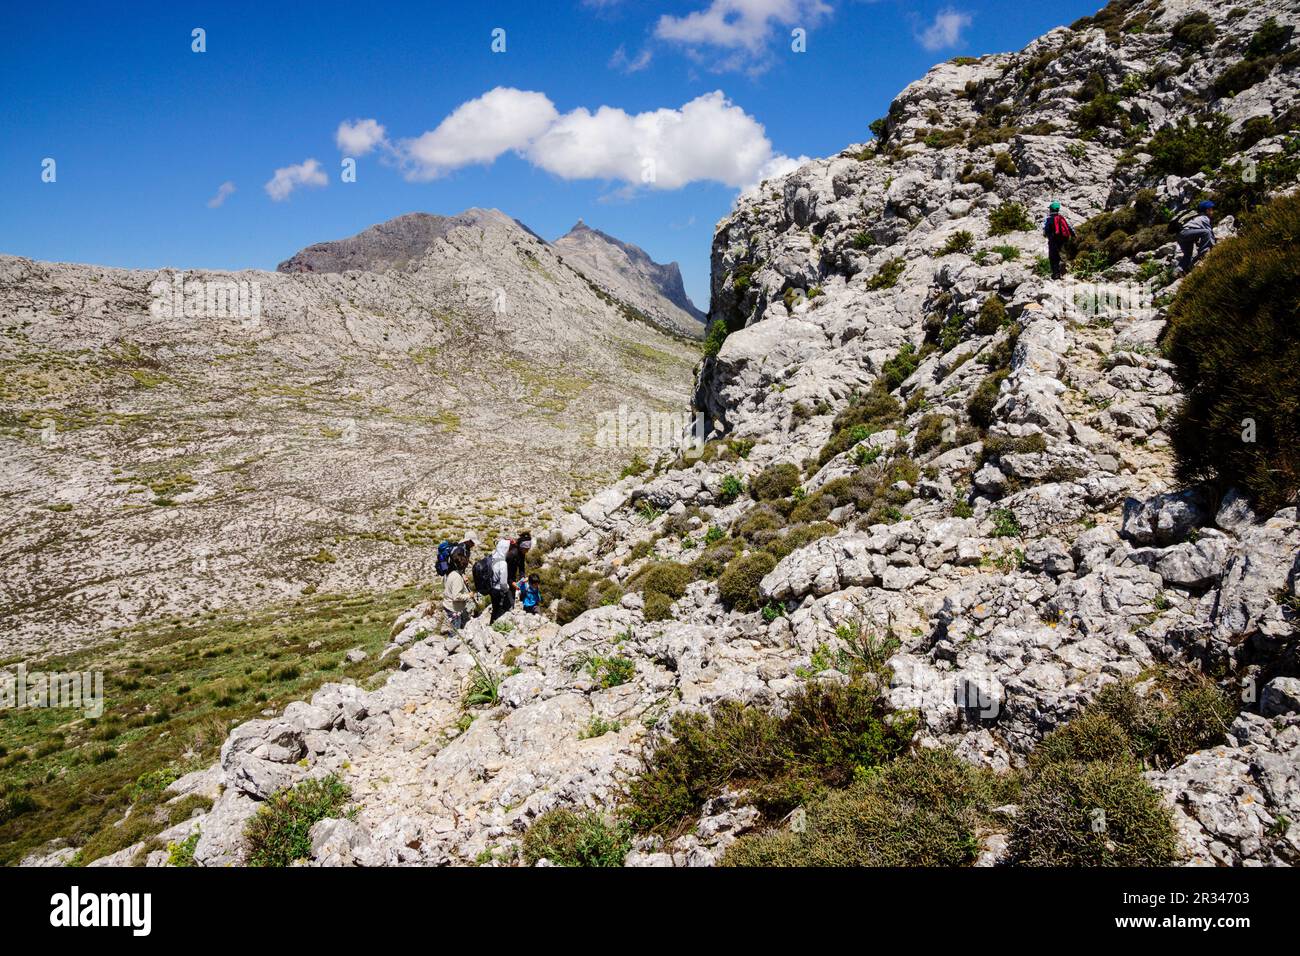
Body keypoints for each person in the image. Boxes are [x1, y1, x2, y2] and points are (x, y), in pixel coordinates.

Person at [1177, 200, 1216, 274]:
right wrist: (1214, 247)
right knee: (1206, 232)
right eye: (1211, 209)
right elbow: (1209, 233)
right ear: (1206, 210)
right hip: (1186, 233)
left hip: (1180, 235)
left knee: (1188, 255)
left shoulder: (1195, 217)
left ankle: (1178, 271)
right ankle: (1203, 254)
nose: (1212, 211)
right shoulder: (1204, 218)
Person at [1042, 200, 1075, 280]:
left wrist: (1046, 235)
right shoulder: (1062, 218)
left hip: (1053, 241)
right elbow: (1070, 228)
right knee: (1062, 255)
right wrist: (1074, 235)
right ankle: (1063, 272)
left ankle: (1056, 274)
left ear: (1051, 210)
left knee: (1053, 257)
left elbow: (1045, 230)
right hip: (1063, 240)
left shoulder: (1048, 219)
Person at [442, 550, 470, 632]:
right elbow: (456, 596)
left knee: (453, 628)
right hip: (454, 608)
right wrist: (469, 595)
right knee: (455, 631)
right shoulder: (457, 577)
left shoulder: (453, 573)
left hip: (448, 605)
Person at [489, 538, 513, 622]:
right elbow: (503, 583)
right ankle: (496, 625)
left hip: (491, 588)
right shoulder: (503, 563)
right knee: (500, 610)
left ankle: (492, 623)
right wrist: (507, 589)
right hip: (498, 590)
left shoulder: (493, 558)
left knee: (494, 608)